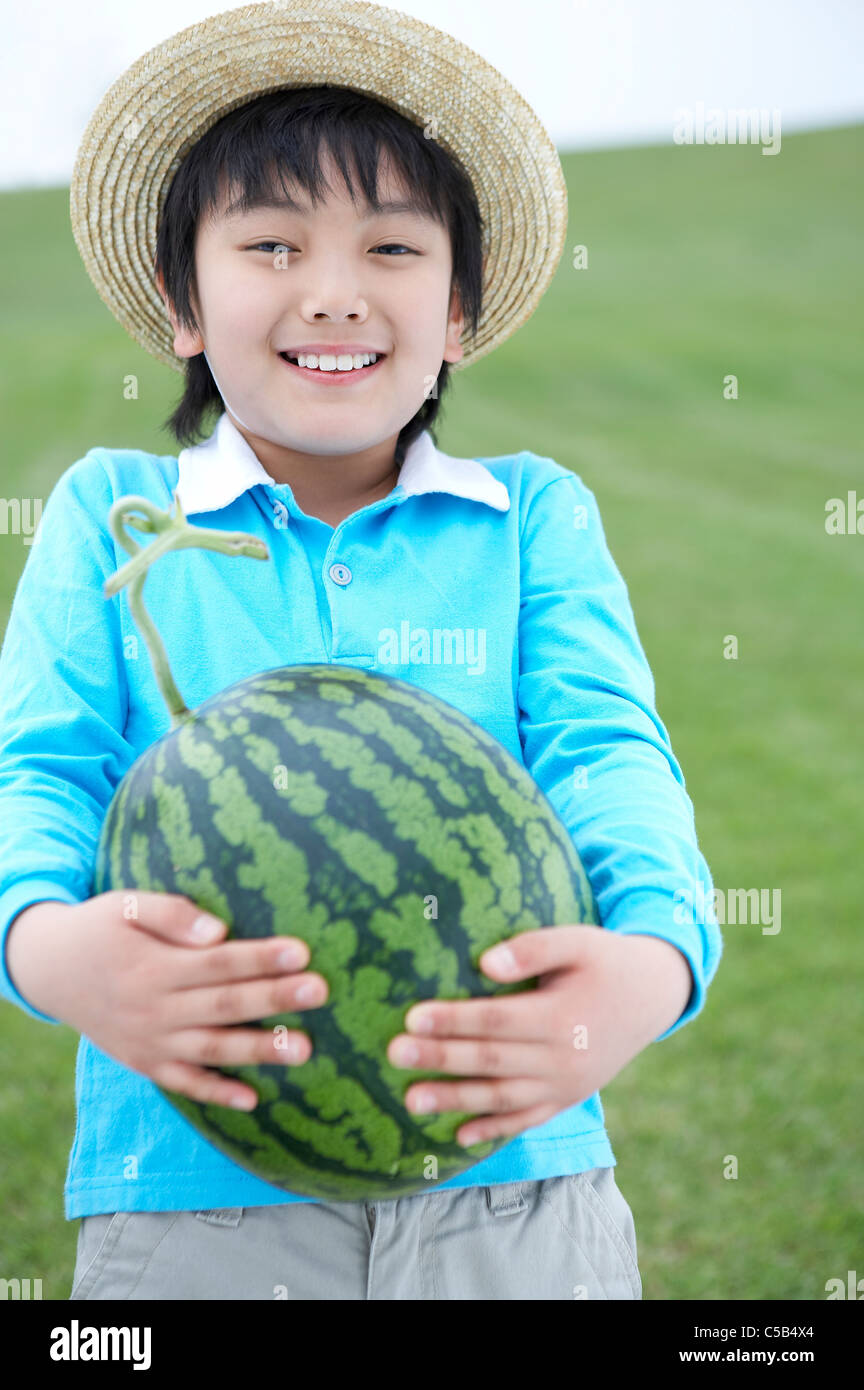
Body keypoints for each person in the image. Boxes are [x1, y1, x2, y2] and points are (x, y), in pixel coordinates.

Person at [0, 0, 722, 1300]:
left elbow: (610, 754)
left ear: (455, 314)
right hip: (192, 1191)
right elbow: (35, 774)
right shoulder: (113, 517)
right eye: (271, 244)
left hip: (519, 1181)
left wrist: (656, 958)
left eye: (391, 246)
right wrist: (46, 945)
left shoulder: (532, 520)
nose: (332, 289)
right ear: (182, 301)